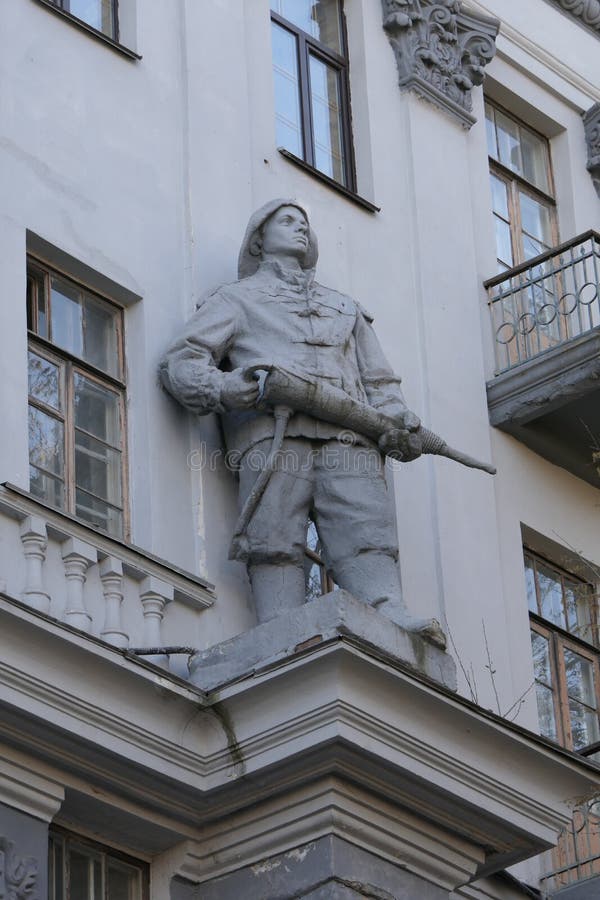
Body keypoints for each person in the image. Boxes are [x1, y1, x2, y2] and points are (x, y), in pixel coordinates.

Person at [160, 199, 444, 646]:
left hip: (349, 434)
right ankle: (279, 621)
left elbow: (380, 379)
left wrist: (398, 418)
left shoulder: (344, 308)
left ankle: (386, 605)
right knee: (272, 531)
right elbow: (184, 360)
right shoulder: (236, 299)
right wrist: (227, 388)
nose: (300, 229)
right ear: (259, 238)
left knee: (365, 520)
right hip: (271, 431)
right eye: (286, 221)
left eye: (304, 224)